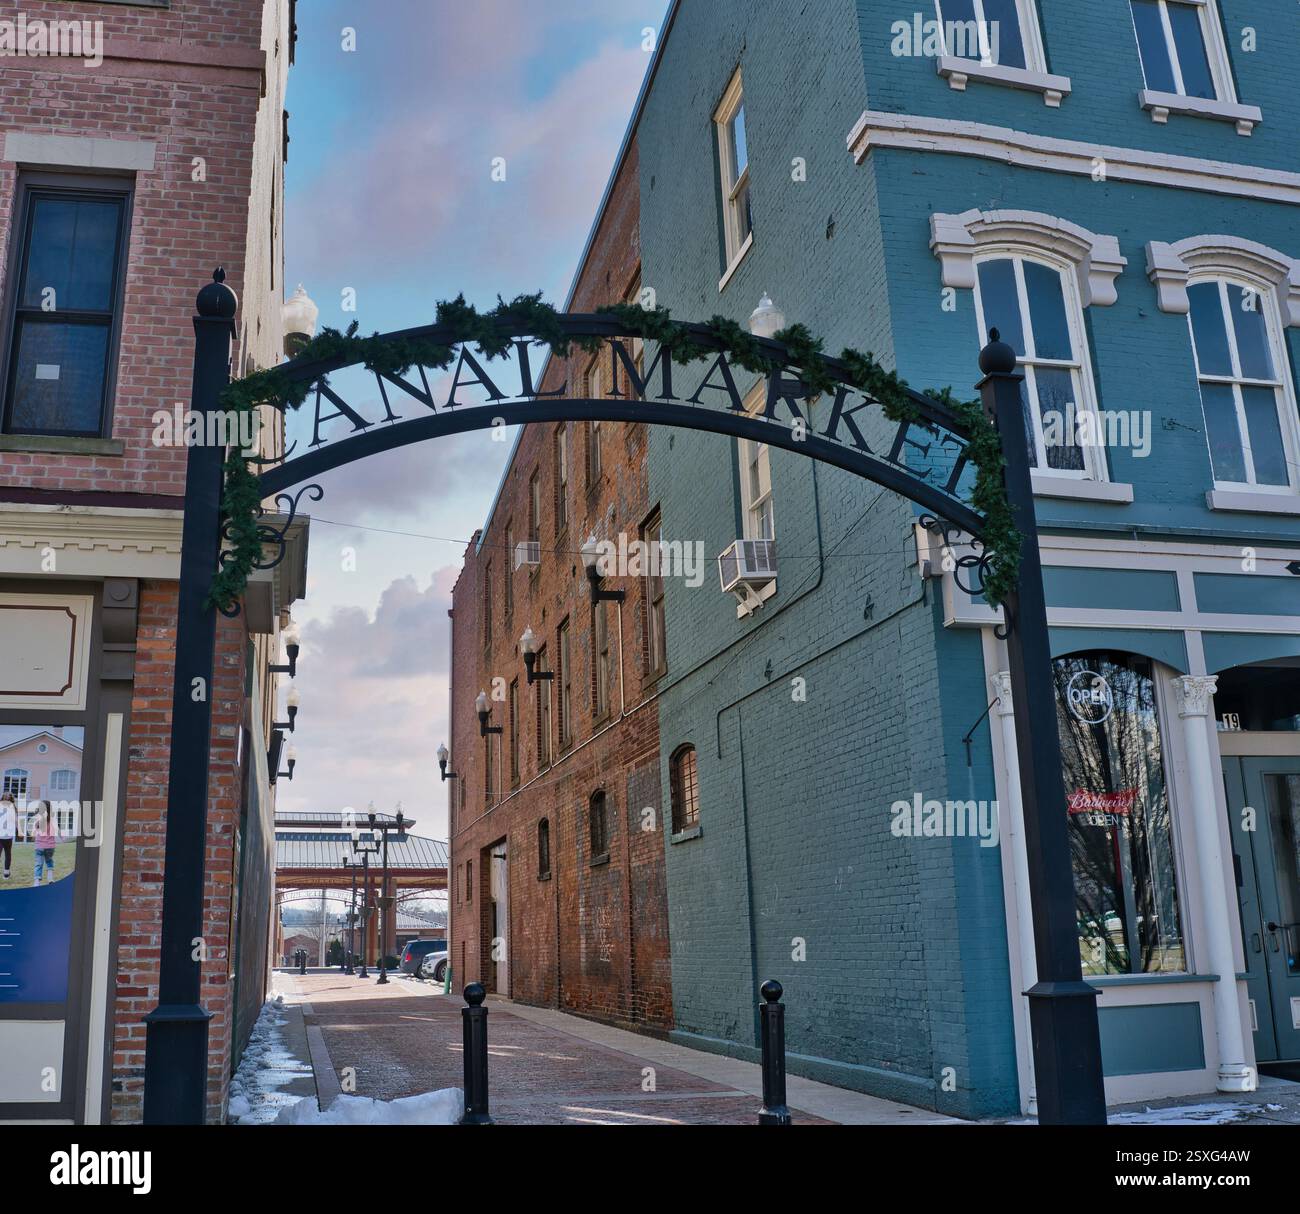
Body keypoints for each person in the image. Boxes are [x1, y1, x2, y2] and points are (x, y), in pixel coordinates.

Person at [30, 804, 57, 886]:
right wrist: (63, 838)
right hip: (50, 846)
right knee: (49, 861)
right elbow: (57, 830)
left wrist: (33, 837)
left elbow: (34, 831)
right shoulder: (52, 820)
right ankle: (50, 878)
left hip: (39, 847)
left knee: (38, 863)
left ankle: (37, 882)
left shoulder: (38, 820)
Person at [0, 791, 15, 880]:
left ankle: (6, 873)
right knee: (7, 853)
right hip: (7, 835)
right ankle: (6, 874)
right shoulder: (12, 807)